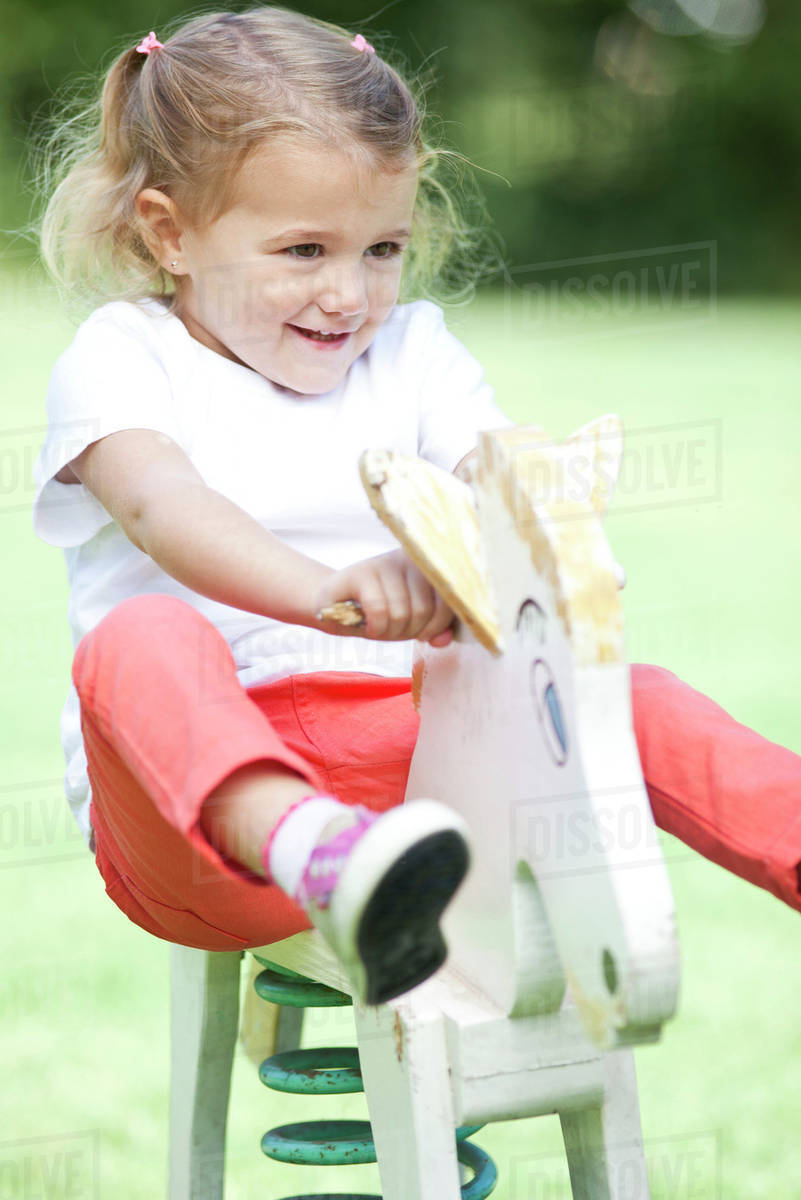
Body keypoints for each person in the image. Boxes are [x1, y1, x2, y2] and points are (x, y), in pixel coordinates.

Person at [32, 8, 801, 1008]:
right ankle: (329, 858)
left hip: (423, 770)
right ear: (170, 233)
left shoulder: (414, 355)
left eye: (382, 249)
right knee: (139, 638)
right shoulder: (124, 356)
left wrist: (535, 538)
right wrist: (328, 594)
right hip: (208, 833)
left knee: (629, 698)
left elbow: (495, 478)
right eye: (304, 251)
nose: (350, 295)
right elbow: (160, 506)